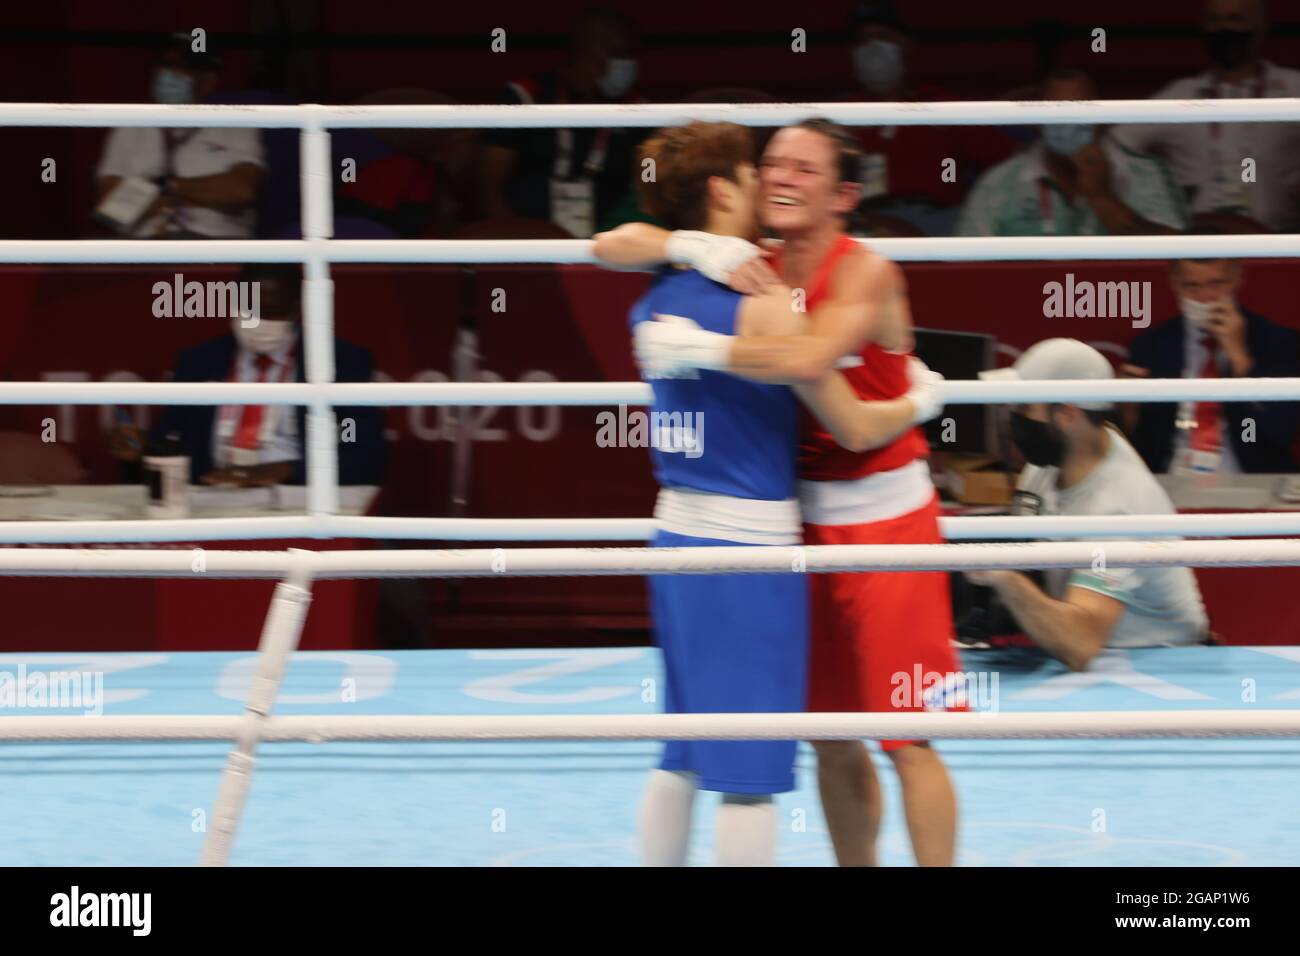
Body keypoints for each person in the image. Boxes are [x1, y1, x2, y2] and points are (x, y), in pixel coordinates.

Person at [596, 117, 963, 867]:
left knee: (908, 736)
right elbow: (609, 243)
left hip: (888, 522)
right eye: (772, 165)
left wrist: (698, 345)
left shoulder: (866, 271)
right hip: (798, 530)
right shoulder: (750, 265)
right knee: (829, 735)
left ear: (844, 194)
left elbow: (819, 364)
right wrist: (685, 243)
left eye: (803, 168)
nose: (782, 178)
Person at [971, 339, 1211, 668]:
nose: (1013, 418)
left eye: (1024, 407)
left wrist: (1003, 578)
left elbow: (1079, 645)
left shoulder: (1119, 509)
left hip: (1161, 664)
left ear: (1068, 415)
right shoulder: (1049, 465)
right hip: (1105, 657)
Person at [109, 263, 385, 487]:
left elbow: (359, 450)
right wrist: (141, 448)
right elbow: (172, 439)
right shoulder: (200, 362)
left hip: (296, 500)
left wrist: (286, 469)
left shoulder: (342, 364)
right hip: (214, 497)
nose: (258, 322)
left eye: (272, 311)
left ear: (296, 308)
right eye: (249, 309)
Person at [1111, 0, 1300, 233]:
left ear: (1260, 26)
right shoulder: (1181, 95)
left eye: (1235, 19)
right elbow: (1114, 146)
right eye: (1215, 21)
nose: (1224, 29)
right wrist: (1153, 202)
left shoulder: (1293, 89)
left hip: (1276, 241)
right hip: (1195, 242)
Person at [1123, 253, 1300, 474]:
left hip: (1250, 477)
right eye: (1192, 286)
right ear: (1174, 283)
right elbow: (1137, 444)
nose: (1205, 297)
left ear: (1237, 278)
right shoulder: (1150, 346)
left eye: (1217, 284)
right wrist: (1127, 407)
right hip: (1173, 477)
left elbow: (1280, 432)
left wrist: (1240, 358)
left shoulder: (1276, 342)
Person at [956, 68, 1187, 237]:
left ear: (1102, 118)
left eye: (1080, 110)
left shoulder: (1147, 174)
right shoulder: (999, 184)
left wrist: (1103, 198)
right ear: (1037, 121)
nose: (1068, 122)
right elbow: (964, 274)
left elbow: (1179, 263)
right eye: (1057, 111)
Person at [93, 33, 264, 240]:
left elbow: (240, 191)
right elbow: (112, 207)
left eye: (181, 67)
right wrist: (202, 195)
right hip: (145, 248)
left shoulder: (236, 125)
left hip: (215, 246)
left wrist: (164, 186)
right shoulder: (130, 127)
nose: (168, 74)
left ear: (209, 80)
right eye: (165, 65)